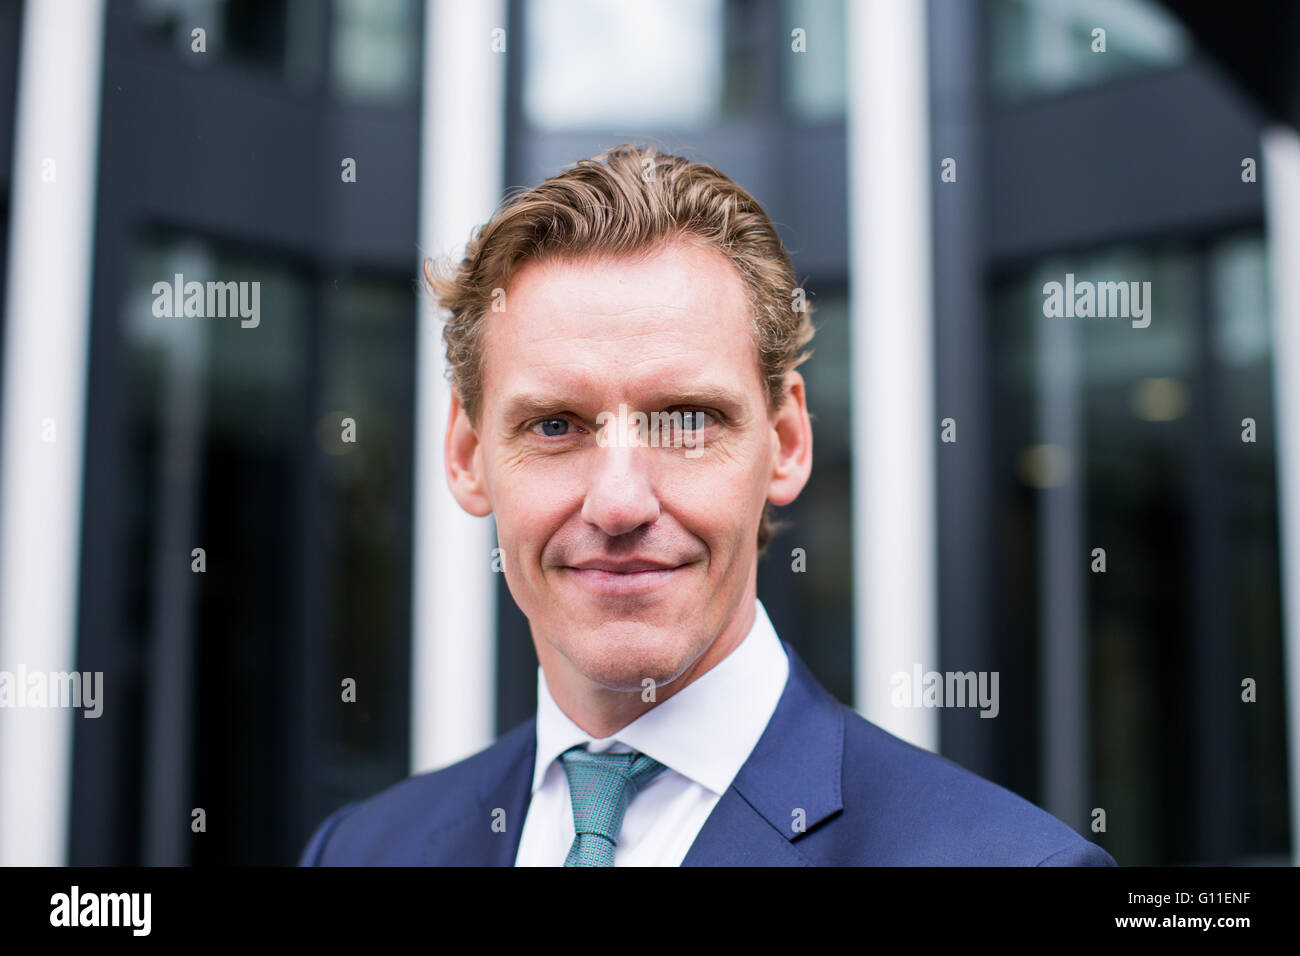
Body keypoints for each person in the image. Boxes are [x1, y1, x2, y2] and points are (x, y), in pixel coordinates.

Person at [299, 145, 1116, 867]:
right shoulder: (361, 851)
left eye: (687, 421)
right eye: (555, 425)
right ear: (469, 454)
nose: (619, 502)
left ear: (787, 442)